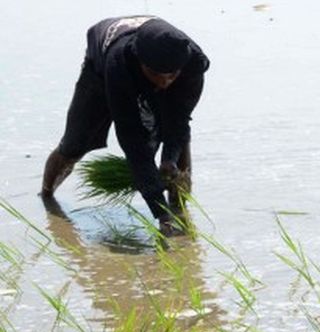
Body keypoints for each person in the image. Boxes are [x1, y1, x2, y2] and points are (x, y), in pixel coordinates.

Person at [42, 16, 208, 236]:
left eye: (172, 75)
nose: (165, 82)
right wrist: (160, 214)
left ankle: (179, 209)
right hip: (99, 71)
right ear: (140, 62)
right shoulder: (118, 65)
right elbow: (133, 141)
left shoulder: (192, 63)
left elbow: (179, 120)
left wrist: (168, 158)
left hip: (157, 67)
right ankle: (46, 197)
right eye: (158, 75)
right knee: (75, 143)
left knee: (178, 138)